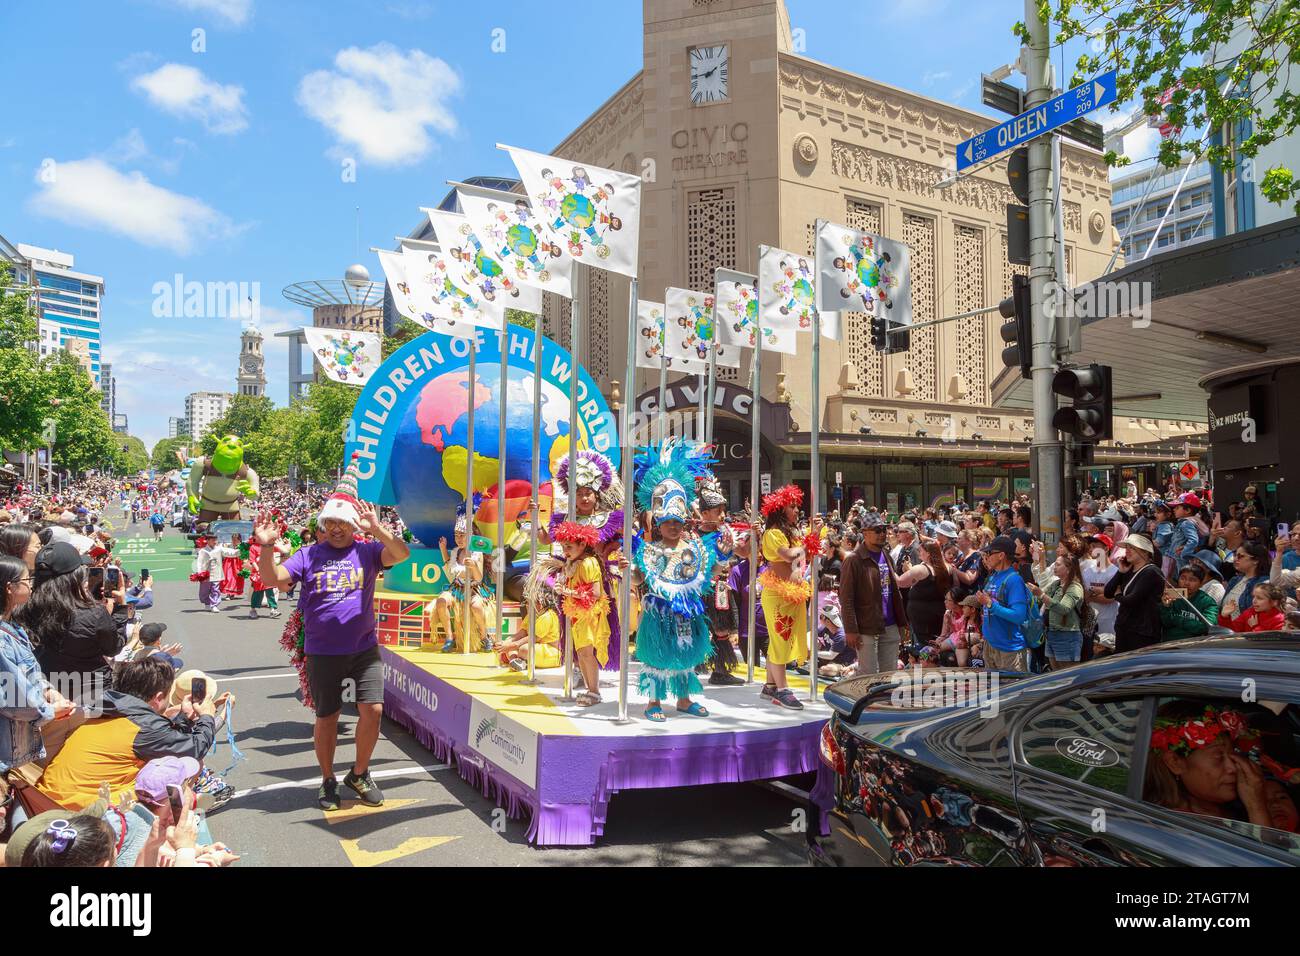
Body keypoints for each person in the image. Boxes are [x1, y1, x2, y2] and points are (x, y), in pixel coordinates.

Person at [253, 461, 410, 811]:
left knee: (373, 710)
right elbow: (273, 580)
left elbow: (401, 553)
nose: (337, 528)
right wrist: (265, 547)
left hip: (364, 649)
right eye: (331, 523)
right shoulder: (309, 554)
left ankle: (359, 773)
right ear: (323, 526)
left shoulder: (368, 551)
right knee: (328, 716)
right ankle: (327, 780)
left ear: (354, 525)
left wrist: (378, 528)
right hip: (323, 651)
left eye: (344, 522)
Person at [36, 658, 219, 811]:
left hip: (45, 799)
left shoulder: (106, 709)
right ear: (158, 697)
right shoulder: (143, 727)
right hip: (79, 810)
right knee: (175, 771)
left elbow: (162, 739)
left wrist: (184, 717)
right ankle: (176, 816)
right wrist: (207, 717)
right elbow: (194, 748)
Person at [630, 440, 717, 721]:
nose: (673, 526)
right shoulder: (649, 550)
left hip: (687, 613)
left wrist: (722, 561)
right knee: (656, 657)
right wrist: (627, 571)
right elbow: (638, 578)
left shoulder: (695, 549)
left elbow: (708, 577)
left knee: (686, 656)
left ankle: (683, 699)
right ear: (658, 523)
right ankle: (653, 701)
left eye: (677, 522)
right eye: (667, 521)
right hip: (658, 614)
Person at [0, 554, 76, 822]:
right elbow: (14, 698)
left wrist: (47, 690)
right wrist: (49, 709)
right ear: (9, 587)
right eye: (26, 579)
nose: (31, 585)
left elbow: (30, 673)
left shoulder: (12, 628)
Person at [16, 542, 121, 707]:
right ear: (76, 576)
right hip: (94, 698)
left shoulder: (20, 610)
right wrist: (118, 608)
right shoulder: (94, 613)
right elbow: (114, 648)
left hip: (47, 697)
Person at [1143, 702, 1273, 829]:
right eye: (1218, 757)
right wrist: (1256, 807)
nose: (1232, 768)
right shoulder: (1170, 827)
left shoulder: (1229, 808)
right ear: (1175, 763)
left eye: (1233, 753)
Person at [755, 484, 817, 709]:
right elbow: (789, 555)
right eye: (792, 506)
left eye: (797, 506)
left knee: (779, 640)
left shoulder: (791, 533)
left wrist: (814, 535)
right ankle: (782, 690)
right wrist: (804, 546)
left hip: (792, 597)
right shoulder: (773, 534)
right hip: (777, 596)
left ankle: (770, 685)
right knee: (781, 639)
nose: (796, 510)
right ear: (780, 510)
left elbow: (802, 554)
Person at [840, 512, 908, 677]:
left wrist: (901, 623)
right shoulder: (853, 560)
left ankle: (883, 702)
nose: (882, 534)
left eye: (884, 530)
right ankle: (862, 701)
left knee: (889, 674)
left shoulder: (886, 554)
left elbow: (894, 592)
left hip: (890, 624)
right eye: (877, 530)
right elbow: (846, 598)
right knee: (867, 674)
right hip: (866, 626)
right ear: (865, 533)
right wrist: (850, 629)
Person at [553, 521, 611, 706]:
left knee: (586, 653)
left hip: (588, 614)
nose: (565, 551)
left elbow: (594, 594)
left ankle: (594, 691)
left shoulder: (588, 563)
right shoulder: (574, 563)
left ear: (583, 544)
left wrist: (567, 592)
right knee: (581, 653)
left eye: (569, 546)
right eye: (563, 547)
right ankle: (590, 689)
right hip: (577, 614)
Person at [1101, 534, 1164, 652]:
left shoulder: (1151, 571)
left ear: (1145, 552)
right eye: (1127, 548)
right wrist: (1120, 572)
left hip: (1142, 631)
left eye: (1132, 548)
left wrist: (1118, 595)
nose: (1127, 551)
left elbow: (1131, 600)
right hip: (1124, 627)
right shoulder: (1128, 569)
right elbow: (1108, 592)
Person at [976, 536, 1029, 671]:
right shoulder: (994, 576)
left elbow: (1019, 616)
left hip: (1009, 649)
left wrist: (990, 604)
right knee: (995, 691)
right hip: (990, 645)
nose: (987, 557)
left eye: (989, 553)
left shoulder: (1014, 580)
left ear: (1001, 555)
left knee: (1013, 691)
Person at [1028, 551, 1085, 669]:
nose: (1054, 566)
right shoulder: (1056, 584)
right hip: (1051, 634)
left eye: (1058, 564)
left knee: (1068, 675)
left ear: (1068, 569)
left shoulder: (1075, 587)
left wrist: (1041, 595)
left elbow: (1064, 608)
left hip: (1067, 635)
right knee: (1056, 674)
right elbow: (1039, 599)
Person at [894, 540, 950, 648]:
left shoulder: (920, 569)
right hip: (939, 614)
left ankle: (925, 664)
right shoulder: (947, 567)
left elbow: (900, 582)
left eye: (921, 550)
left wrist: (889, 568)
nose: (918, 552)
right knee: (935, 645)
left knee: (924, 648)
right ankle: (932, 663)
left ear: (928, 553)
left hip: (922, 620)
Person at [1159, 564, 1220, 641]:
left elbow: (1206, 627)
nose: (1186, 583)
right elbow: (1165, 622)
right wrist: (1165, 606)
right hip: (1169, 644)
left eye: (1192, 580)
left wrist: (1176, 619)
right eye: (1183, 578)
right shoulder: (1171, 596)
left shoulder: (1208, 602)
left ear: (1201, 584)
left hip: (1194, 646)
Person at [1218, 541, 1272, 625]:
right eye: (1235, 555)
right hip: (1228, 631)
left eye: (1240, 556)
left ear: (1255, 560)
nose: (1235, 559)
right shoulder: (1234, 580)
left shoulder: (1263, 583)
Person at [1220, 582, 1287, 632]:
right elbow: (1232, 632)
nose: (1254, 601)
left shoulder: (1279, 620)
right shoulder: (1249, 612)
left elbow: (1269, 643)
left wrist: (1255, 627)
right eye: (1253, 597)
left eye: (1259, 598)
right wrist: (1225, 617)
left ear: (1274, 602)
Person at [193, 533, 223, 612]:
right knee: (204, 590)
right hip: (206, 574)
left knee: (215, 589)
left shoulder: (219, 549)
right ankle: (207, 603)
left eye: (215, 540)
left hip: (216, 573)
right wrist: (199, 572)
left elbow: (228, 552)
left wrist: (238, 551)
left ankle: (214, 605)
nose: (215, 541)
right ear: (208, 541)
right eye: (213, 540)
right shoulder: (203, 551)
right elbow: (199, 562)